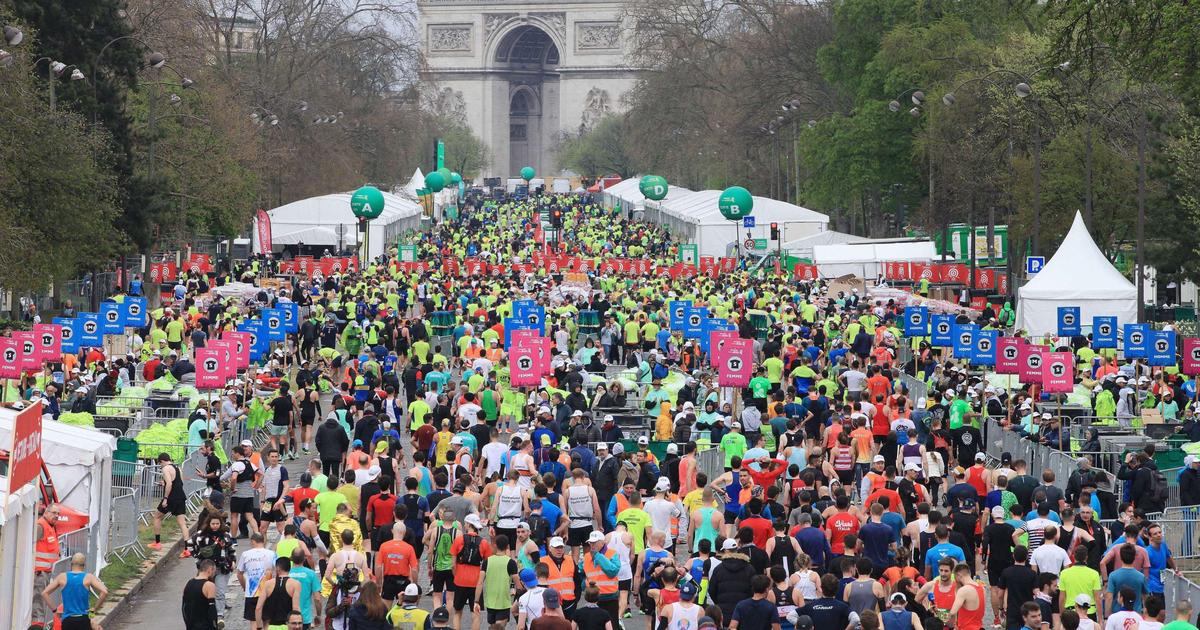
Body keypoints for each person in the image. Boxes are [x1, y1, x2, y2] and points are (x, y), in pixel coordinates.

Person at [185, 514, 238, 624]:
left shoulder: (225, 535)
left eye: (217, 524)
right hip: (205, 570)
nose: (215, 526)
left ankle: (219, 616)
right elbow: (189, 544)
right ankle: (205, 613)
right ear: (209, 524)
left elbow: (231, 548)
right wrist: (197, 558)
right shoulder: (201, 535)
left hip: (222, 568)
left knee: (219, 592)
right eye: (213, 524)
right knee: (204, 592)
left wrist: (233, 561)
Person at [41, 553, 108, 630]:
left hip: (67, 619)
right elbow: (104, 592)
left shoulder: (62, 577)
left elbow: (44, 593)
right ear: (84, 565)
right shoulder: (88, 577)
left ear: (71, 564)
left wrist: (55, 610)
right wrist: (94, 610)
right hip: (83, 618)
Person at [476, 534, 521, 630]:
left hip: (490, 602)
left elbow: (480, 583)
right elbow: (518, 585)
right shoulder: (511, 563)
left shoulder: (487, 561)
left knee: (493, 627)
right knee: (499, 628)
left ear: (495, 545)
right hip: (503, 603)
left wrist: (476, 601)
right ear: (507, 546)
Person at [238, 533, 277, 630]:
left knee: (254, 621)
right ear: (263, 541)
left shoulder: (245, 554)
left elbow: (239, 574)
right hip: (268, 592)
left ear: (252, 541)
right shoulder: (272, 554)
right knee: (267, 621)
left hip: (252, 593)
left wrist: (244, 586)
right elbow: (278, 571)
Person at [150, 453, 189, 551]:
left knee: (157, 517)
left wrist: (165, 498)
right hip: (181, 496)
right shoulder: (178, 468)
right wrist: (164, 483)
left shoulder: (165, 468)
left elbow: (170, 484)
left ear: (162, 461)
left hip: (171, 498)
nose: (160, 466)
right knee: (182, 523)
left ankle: (157, 543)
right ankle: (187, 549)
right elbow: (179, 482)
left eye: (160, 464)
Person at [255, 557, 301, 630]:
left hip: (271, 626)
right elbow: (296, 608)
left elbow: (258, 608)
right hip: (288, 626)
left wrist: (259, 627)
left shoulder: (268, 584)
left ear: (277, 568)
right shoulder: (295, 584)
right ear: (290, 568)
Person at [182, 559, 221, 630]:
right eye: (214, 571)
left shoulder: (188, 583)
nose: (214, 574)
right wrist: (215, 626)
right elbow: (212, 610)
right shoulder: (209, 585)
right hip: (205, 625)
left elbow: (184, 607)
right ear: (209, 570)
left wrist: (187, 624)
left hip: (191, 625)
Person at [947, 563, 986, 630]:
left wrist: (938, 613)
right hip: (979, 627)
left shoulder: (964, 590)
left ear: (958, 575)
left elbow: (952, 612)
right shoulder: (982, 588)